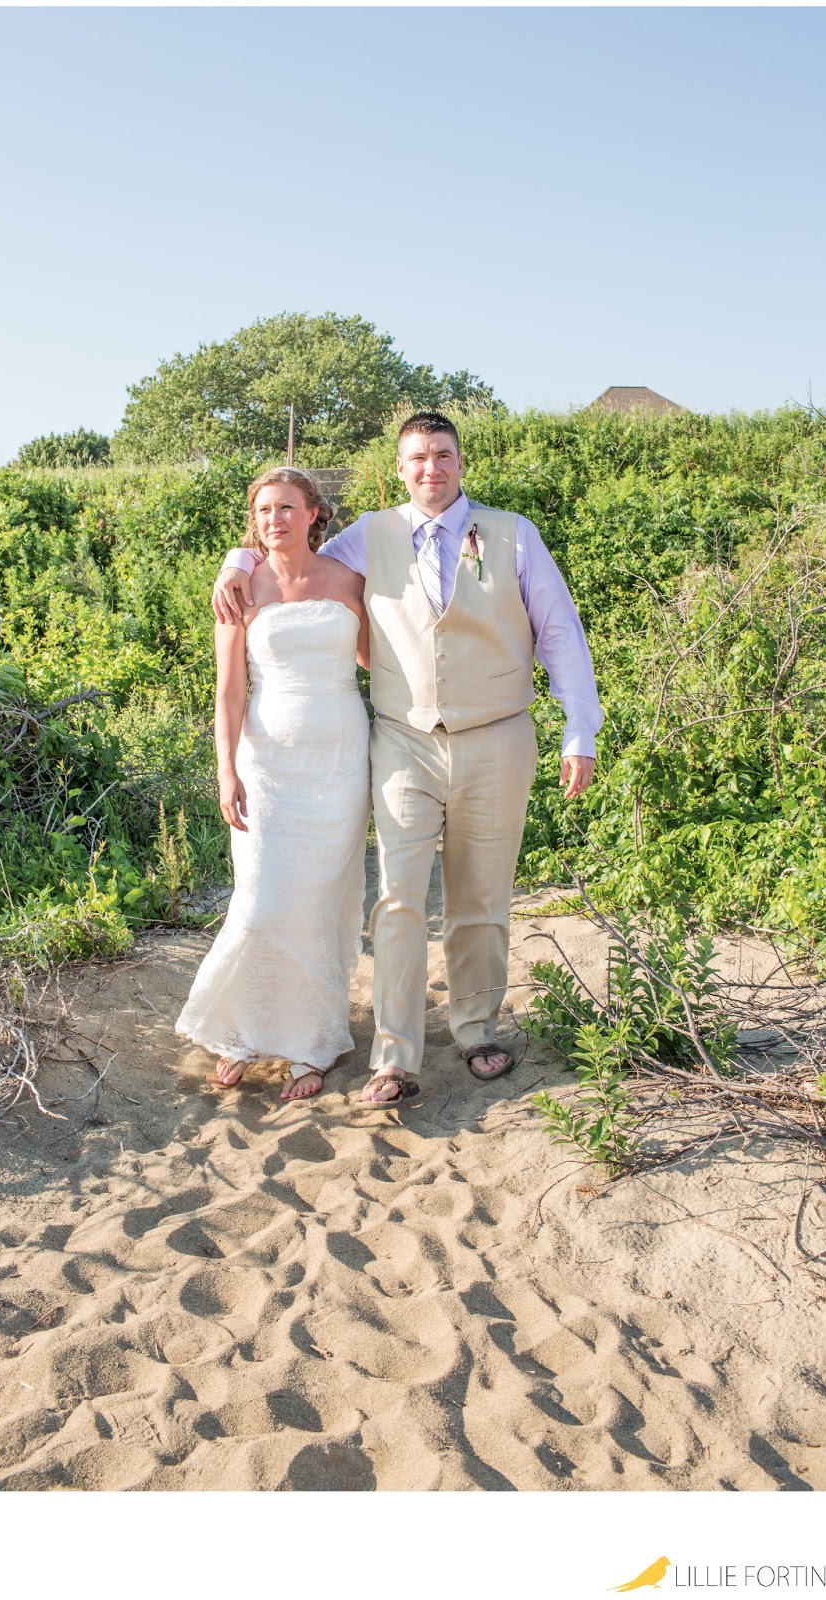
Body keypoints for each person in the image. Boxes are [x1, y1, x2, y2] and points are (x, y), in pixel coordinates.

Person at [212, 412, 603, 1105]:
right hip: (402, 740)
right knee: (396, 897)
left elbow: (559, 629)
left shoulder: (512, 534)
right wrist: (236, 558)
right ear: (400, 467)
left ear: (461, 462)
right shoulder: (371, 534)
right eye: (418, 458)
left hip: (498, 734)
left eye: (443, 456)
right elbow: (287, 550)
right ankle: (394, 1056)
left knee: (481, 896)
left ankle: (477, 1028)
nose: (432, 469)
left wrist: (581, 728)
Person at [177, 467, 370, 1100]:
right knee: (258, 906)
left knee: (316, 905)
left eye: (287, 507)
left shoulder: (348, 581)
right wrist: (225, 769)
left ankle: (310, 1045)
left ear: (315, 513)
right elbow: (229, 691)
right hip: (268, 767)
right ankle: (237, 1031)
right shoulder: (240, 588)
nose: (274, 520)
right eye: (263, 511)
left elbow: (380, 662)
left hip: (340, 763)